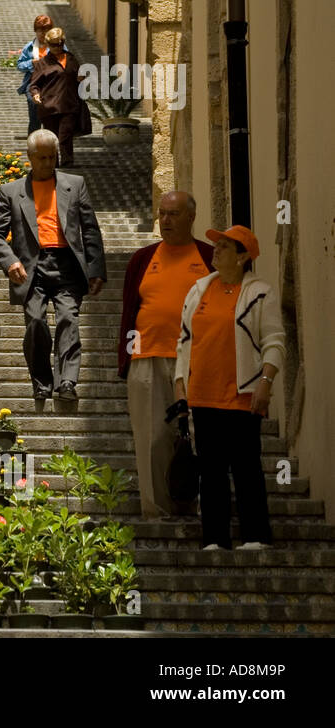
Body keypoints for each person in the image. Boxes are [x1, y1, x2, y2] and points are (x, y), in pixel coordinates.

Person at [173, 225, 284, 551]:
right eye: (215, 246)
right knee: (211, 470)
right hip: (203, 394)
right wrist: (180, 384)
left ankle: (256, 536)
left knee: (247, 466)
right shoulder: (198, 290)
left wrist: (266, 382)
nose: (215, 251)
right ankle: (215, 538)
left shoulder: (261, 292)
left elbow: (275, 341)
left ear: (243, 256)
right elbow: (184, 342)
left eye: (224, 247)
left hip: (243, 392)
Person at [0, 129, 107, 402]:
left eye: (51, 157)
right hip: (31, 268)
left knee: (68, 319)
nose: (47, 163)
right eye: (41, 158)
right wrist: (10, 262)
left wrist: (96, 269)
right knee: (36, 323)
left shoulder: (75, 185)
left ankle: (66, 383)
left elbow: (90, 230)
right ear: (29, 157)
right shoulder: (11, 191)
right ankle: (41, 381)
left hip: (67, 265)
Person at [118, 192, 215, 519]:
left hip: (199, 362)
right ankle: (156, 511)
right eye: (162, 214)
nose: (167, 220)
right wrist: (128, 359)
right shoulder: (142, 259)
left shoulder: (210, 257)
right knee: (153, 439)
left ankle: (204, 506)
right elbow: (129, 313)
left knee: (202, 437)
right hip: (147, 359)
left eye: (174, 214)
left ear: (191, 217)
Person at [29, 27, 92, 167]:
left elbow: (77, 76)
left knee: (65, 136)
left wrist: (81, 78)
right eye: (53, 45)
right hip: (49, 107)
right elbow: (34, 84)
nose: (57, 47)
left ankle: (68, 162)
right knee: (52, 138)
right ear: (47, 44)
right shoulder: (43, 63)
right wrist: (36, 94)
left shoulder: (71, 59)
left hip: (69, 104)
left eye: (60, 44)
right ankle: (53, 164)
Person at [15, 14, 58, 140]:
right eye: (40, 30)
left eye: (46, 30)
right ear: (36, 31)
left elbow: (66, 61)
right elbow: (19, 65)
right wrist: (30, 63)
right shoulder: (29, 48)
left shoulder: (57, 45)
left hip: (52, 84)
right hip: (33, 82)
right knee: (33, 106)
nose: (43, 34)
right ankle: (33, 139)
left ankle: (51, 139)